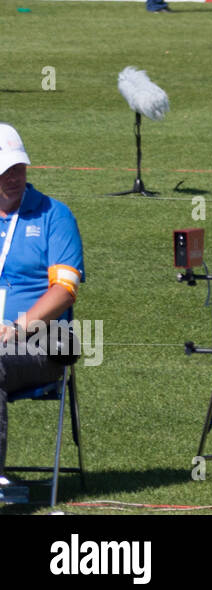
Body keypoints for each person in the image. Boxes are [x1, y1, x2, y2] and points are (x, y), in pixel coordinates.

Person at [0, 124, 84, 489]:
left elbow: (64, 291)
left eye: (18, 168)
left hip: (42, 342)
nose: (14, 177)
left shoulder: (54, 215)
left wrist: (17, 328)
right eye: (5, 171)